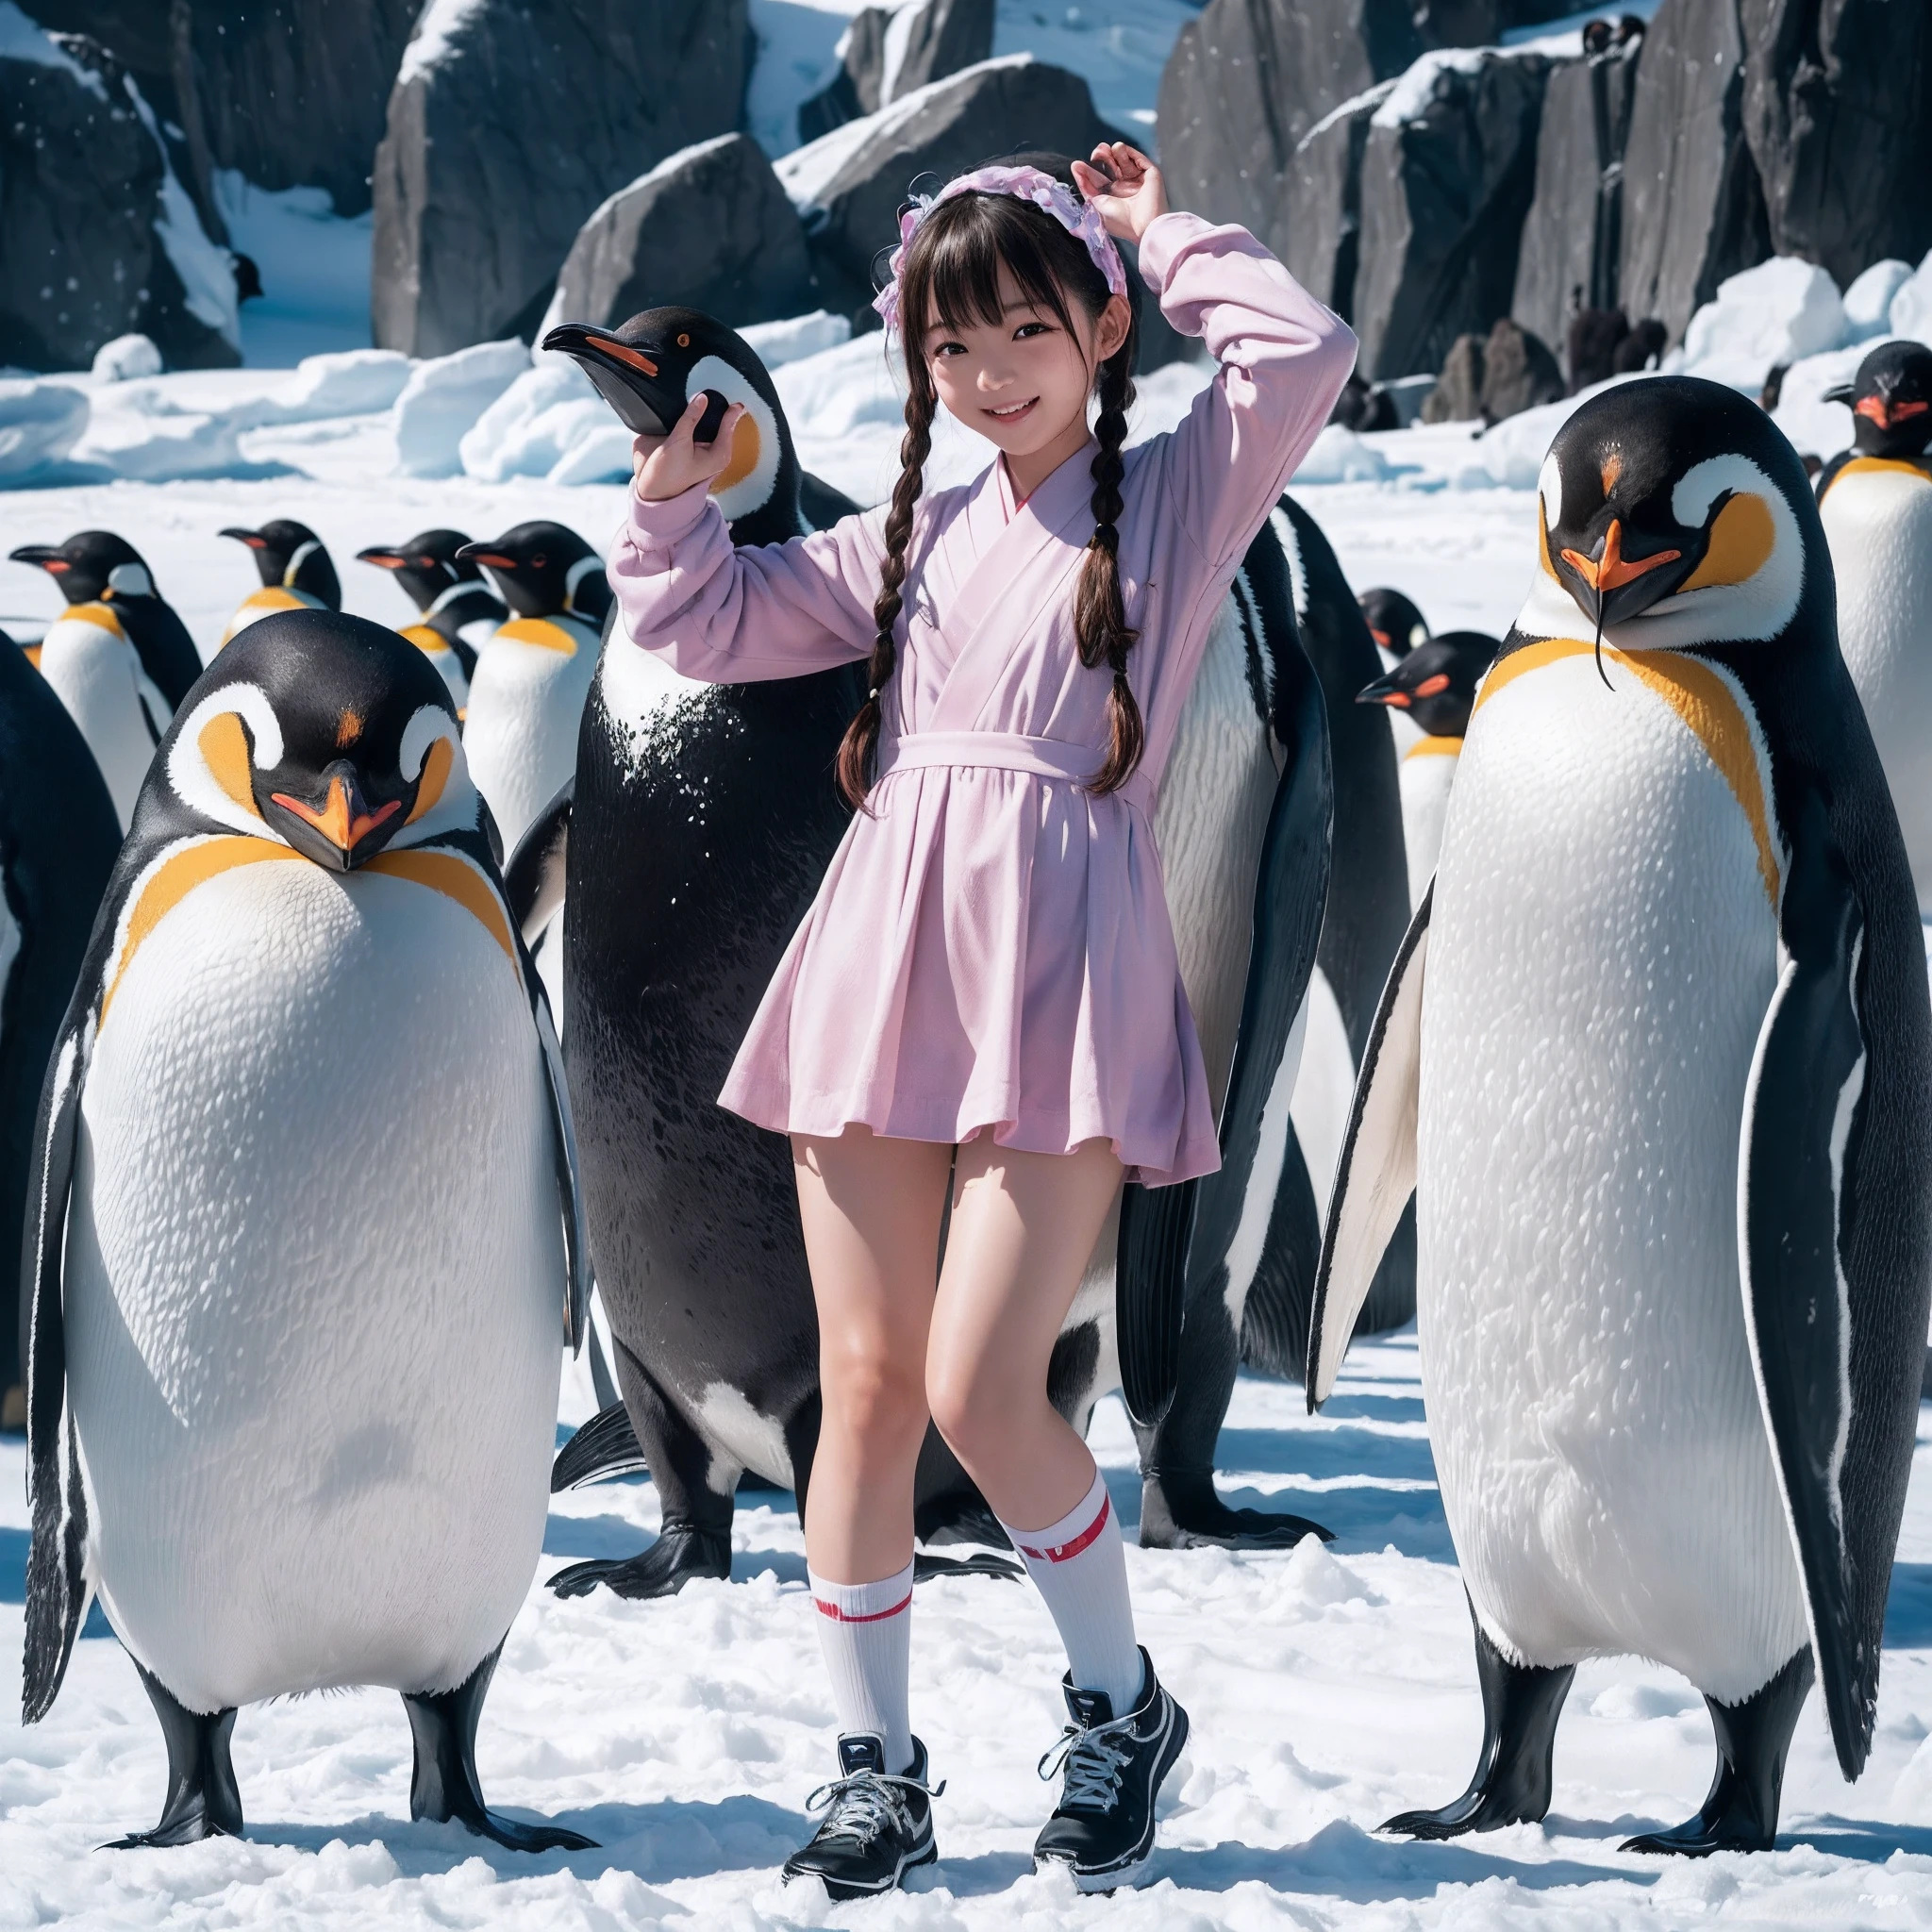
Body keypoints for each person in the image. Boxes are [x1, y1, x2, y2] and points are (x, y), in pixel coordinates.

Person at [611, 142, 1354, 1899]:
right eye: (952, 345)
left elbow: (1302, 354)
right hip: (884, 962)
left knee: (982, 1386)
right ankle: (875, 1769)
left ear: (1102, 328)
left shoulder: (1175, 496)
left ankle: (1121, 1708)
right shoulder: (909, 536)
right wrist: (674, 498)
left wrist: (1160, 232)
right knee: (865, 1390)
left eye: (1028, 327)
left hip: (1066, 973)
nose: (991, 372)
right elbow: (702, 622)